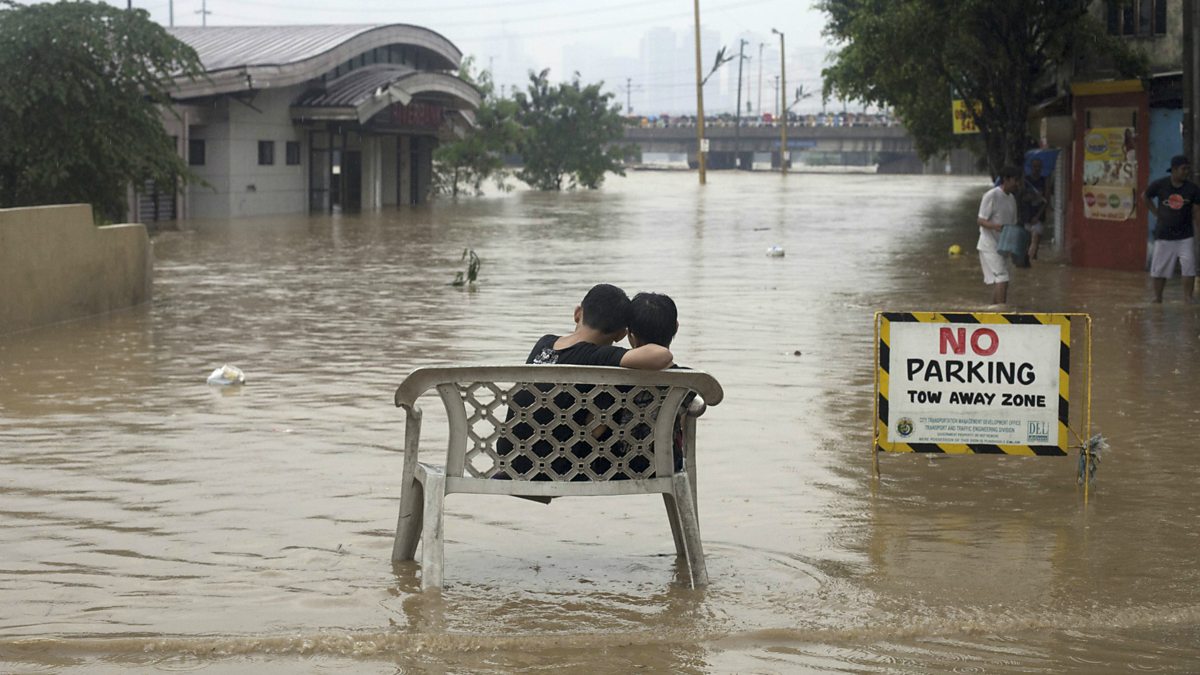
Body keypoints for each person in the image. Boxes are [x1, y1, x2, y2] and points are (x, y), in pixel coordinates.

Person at [524, 283, 672, 368]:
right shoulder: (598, 357)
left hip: (516, 422)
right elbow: (662, 355)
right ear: (621, 335)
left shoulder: (544, 342)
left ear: (577, 313)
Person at [1144, 155, 1200, 304]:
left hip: (1185, 236)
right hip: (1164, 235)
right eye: (1184, 169)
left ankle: (1188, 297)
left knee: (1189, 267)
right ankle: (1158, 298)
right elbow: (1146, 196)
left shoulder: (1193, 189)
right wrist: (1156, 212)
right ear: (1174, 170)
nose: (1186, 172)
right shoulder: (1160, 185)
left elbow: (1196, 211)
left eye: (1188, 169)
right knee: (1159, 268)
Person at [976, 165, 1022, 306]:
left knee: (1000, 278)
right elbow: (980, 220)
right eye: (1015, 180)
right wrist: (996, 227)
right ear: (1006, 180)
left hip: (1003, 246)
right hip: (988, 244)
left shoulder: (1012, 199)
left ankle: (994, 310)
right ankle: (1001, 313)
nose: (1017, 184)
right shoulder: (992, 195)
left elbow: (1013, 224)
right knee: (1002, 277)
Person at [1022, 158, 1050, 262]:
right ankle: (1031, 261)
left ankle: (1029, 263)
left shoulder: (1045, 180)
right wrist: (1032, 196)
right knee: (1028, 243)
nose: (1036, 169)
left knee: (1035, 239)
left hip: (1039, 215)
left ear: (1041, 168)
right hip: (1027, 215)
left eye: (1038, 166)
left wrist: (1038, 216)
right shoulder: (1026, 180)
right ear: (1031, 167)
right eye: (1034, 166)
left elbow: (1046, 201)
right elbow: (1022, 198)